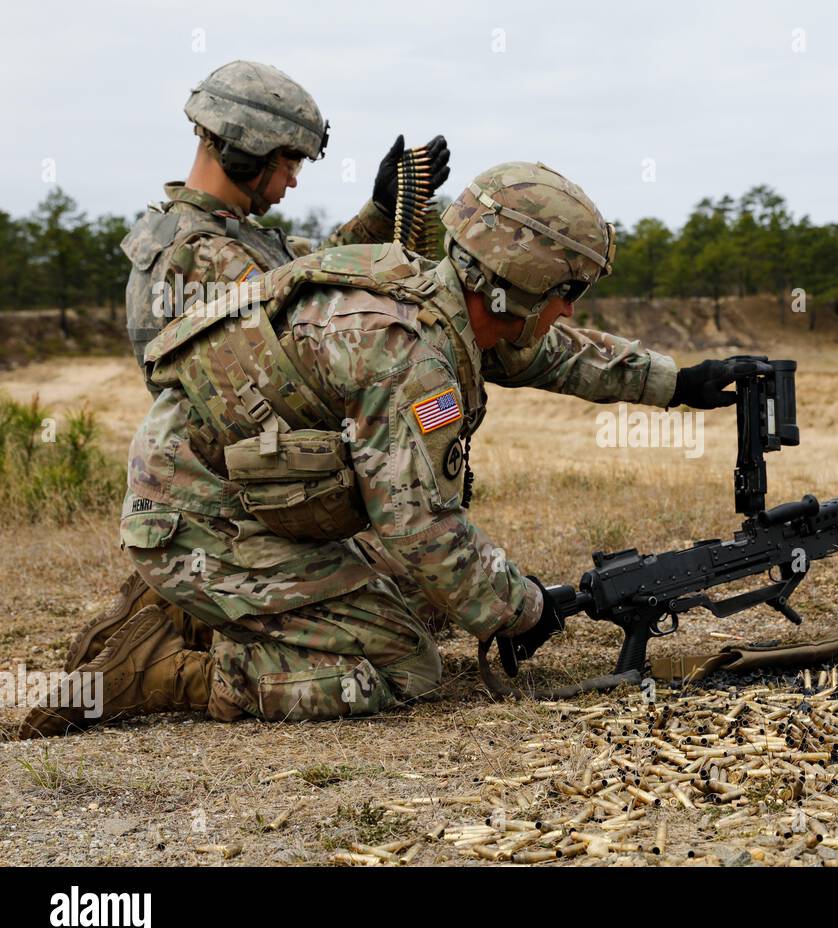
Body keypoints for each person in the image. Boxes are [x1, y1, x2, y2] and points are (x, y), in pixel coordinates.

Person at [20, 161, 741, 737]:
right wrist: (521, 608)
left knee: (423, 601)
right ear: (511, 293)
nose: (571, 309)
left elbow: (549, 354)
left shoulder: (439, 297)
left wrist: (679, 383)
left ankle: (206, 607)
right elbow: (421, 527)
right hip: (199, 520)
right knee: (404, 664)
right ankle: (159, 672)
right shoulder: (407, 356)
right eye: (566, 290)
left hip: (224, 501)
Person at [60, 59, 452, 678]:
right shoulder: (201, 256)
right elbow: (307, 306)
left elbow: (302, 269)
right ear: (246, 152)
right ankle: (170, 664)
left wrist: (382, 213)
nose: (293, 181)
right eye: (288, 162)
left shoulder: (221, 236)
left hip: (253, 482)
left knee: (427, 595)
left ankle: (187, 608)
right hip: (232, 501)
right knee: (407, 654)